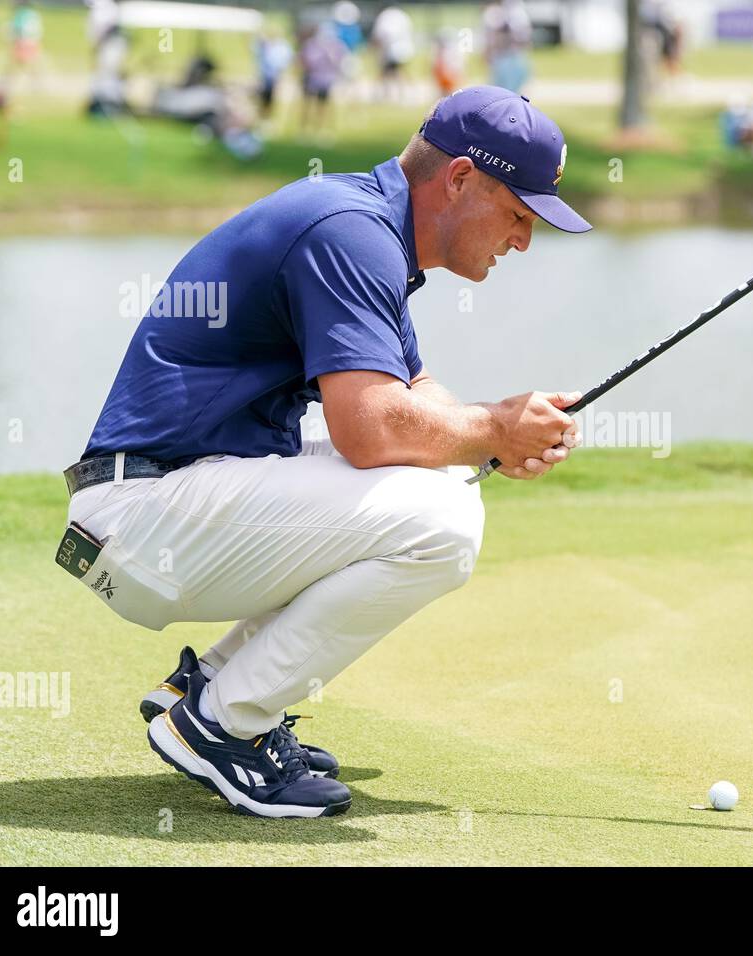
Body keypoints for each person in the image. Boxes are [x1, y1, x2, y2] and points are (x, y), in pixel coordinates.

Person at [60, 87, 592, 819]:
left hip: (161, 501)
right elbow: (368, 429)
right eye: (518, 214)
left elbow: (415, 398)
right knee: (443, 525)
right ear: (462, 178)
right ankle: (223, 724)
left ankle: (207, 686)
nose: (523, 240)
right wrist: (491, 430)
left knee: (445, 480)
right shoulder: (351, 233)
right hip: (141, 518)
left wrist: (494, 436)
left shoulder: (365, 223)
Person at [299, 20, 347, 139]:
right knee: (307, 104)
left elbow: (339, 62)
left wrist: (330, 55)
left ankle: (322, 129)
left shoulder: (337, 45)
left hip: (326, 80)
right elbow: (306, 61)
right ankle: (305, 130)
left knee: (323, 106)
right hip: (311, 78)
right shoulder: (311, 44)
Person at [483, 0, 533, 93]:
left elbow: (520, 37)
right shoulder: (514, 12)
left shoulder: (516, 13)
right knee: (506, 91)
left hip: (511, 56)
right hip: (508, 56)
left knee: (506, 91)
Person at [372, 5, 416, 103]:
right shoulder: (401, 15)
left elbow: (381, 35)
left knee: (391, 71)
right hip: (404, 48)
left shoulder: (384, 17)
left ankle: (389, 93)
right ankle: (406, 91)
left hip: (391, 49)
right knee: (397, 71)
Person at [254, 28, 293, 121]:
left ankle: (267, 116)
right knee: (262, 97)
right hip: (265, 76)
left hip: (273, 76)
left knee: (270, 98)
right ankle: (262, 116)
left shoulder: (280, 47)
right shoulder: (265, 47)